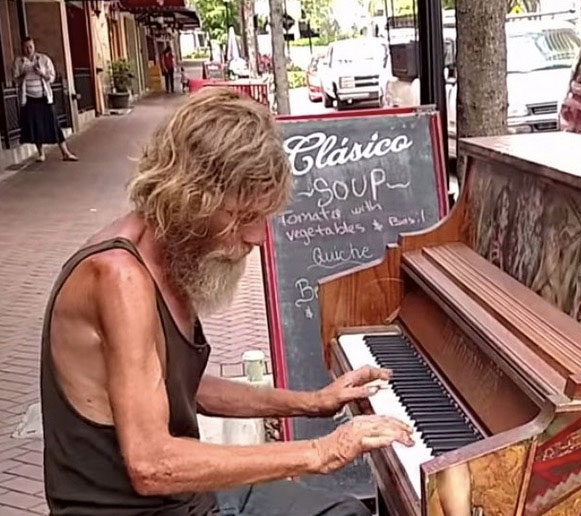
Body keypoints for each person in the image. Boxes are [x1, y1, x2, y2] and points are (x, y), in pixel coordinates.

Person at [40, 87, 413, 516]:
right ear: (192, 197)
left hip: (181, 500)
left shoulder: (166, 251)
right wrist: (320, 452)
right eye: (243, 217)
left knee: (345, 510)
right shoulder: (120, 278)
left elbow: (182, 387)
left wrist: (311, 402)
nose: (257, 237)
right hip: (136, 510)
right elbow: (152, 465)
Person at [13, 36, 77, 162]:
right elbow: (15, 80)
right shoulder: (19, 62)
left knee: (54, 124)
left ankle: (65, 152)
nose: (28, 50)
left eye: (30, 47)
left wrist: (41, 73)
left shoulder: (43, 59)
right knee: (35, 126)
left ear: (34, 47)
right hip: (29, 98)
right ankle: (41, 153)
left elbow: (51, 78)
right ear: (22, 48)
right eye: (25, 47)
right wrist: (23, 74)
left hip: (44, 97)